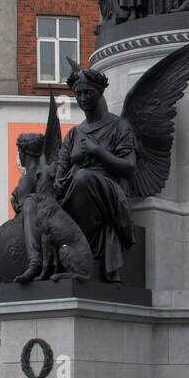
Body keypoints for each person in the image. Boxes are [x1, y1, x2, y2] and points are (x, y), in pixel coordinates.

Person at [52, 66, 137, 282]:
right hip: (77, 187)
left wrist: (98, 151)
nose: (82, 98)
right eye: (78, 94)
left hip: (110, 190)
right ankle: (48, 261)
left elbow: (129, 167)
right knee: (38, 201)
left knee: (83, 178)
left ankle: (81, 245)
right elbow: (60, 173)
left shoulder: (120, 127)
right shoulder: (73, 134)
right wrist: (60, 181)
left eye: (87, 92)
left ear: (99, 93)